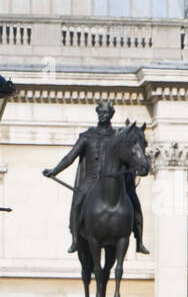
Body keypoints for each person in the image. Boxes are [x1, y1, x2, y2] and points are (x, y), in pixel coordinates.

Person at [43, 99, 148, 255]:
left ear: (111, 115)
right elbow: (70, 157)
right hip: (91, 179)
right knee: (77, 203)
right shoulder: (87, 136)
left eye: (105, 113)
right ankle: (75, 239)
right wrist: (55, 170)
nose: (102, 115)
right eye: (100, 112)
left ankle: (139, 241)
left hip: (114, 180)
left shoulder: (117, 136)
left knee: (134, 203)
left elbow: (129, 155)